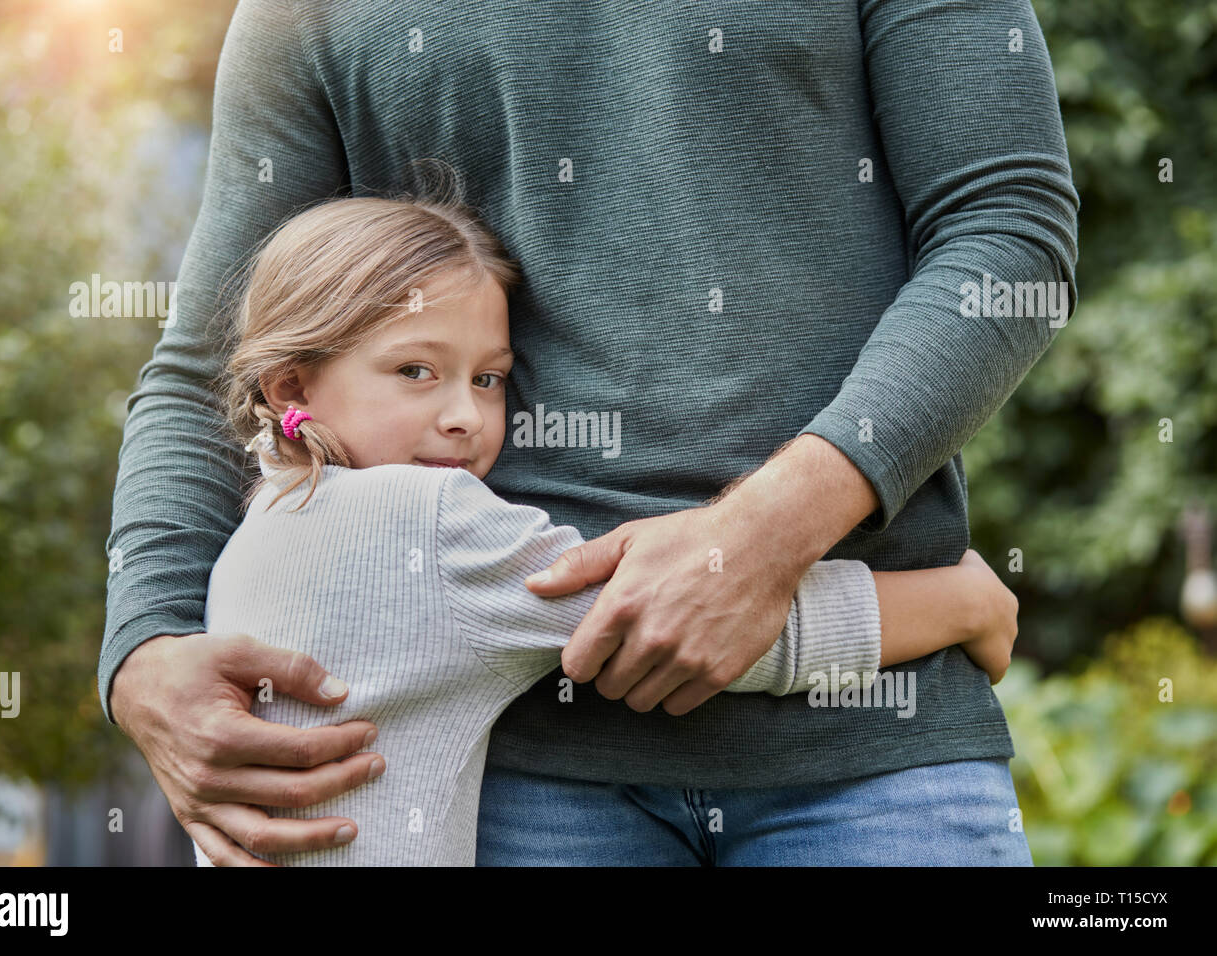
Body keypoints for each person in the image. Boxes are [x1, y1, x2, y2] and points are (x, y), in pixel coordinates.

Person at [101, 0, 1077, 866]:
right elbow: (211, 361)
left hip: (875, 748)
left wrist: (764, 536)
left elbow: (1007, 234)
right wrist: (144, 651)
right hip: (510, 775)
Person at [187, 193, 1018, 865]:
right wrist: (963, 603)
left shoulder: (256, 533)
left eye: (489, 379)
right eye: (416, 371)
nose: (464, 418)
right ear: (293, 382)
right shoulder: (424, 520)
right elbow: (705, 619)